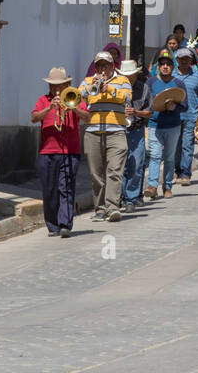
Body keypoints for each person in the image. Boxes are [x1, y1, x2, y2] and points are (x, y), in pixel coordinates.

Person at [32, 67, 89, 237]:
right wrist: (49, 108)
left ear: (67, 85)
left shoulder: (75, 98)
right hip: (47, 151)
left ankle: (65, 224)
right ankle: (53, 225)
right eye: (52, 86)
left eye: (59, 86)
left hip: (70, 151)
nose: (55, 89)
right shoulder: (43, 100)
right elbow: (34, 118)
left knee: (67, 188)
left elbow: (87, 117)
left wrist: (74, 108)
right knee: (49, 190)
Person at [79, 51, 132, 222]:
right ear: (96, 67)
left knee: (114, 170)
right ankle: (100, 208)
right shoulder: (88, 81)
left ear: (112, 65)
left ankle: (112, 207)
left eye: (106, 65)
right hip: (93, 131)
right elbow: (78, 96)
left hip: (116, 130)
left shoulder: (122, 80)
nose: (103, 69)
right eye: (99, 65)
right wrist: (90, 87)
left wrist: (109, 89)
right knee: (96, 173)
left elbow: (127, 97)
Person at [144, 51, 187, 200]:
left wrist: (174, 107)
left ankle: (167, 186)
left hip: (173, 126)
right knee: (155, 156)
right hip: (154, 124)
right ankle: (152, 186)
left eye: (168, 64)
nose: (165, 67)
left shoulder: (179, 84)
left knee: (169, 157)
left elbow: (185, 106)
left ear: (173, 66)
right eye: (162, 64)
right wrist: (152, 104)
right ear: (158, 66)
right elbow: (144, 103)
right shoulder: (150, 83)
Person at [173, 47, 198, 186]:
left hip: (191, 115)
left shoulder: (197, 76)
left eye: (187, 59)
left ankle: (185, 174)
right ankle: (177, 171)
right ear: (177, 60)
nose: (185, 61)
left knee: (187, 145)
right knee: (175, 146)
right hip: (174, 116)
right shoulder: (172, 75)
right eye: (182, 59)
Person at [120, 60, 151, 211]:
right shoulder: (116, 87)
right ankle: (121, 196)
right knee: (121, 164)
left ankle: (131, 198)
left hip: (137, 129)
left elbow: (150, 112)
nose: (128, 78)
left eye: (130, 75)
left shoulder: (144, 88)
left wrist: (136, 112)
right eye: (125, 75)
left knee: (137, 164)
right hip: (119, 129)